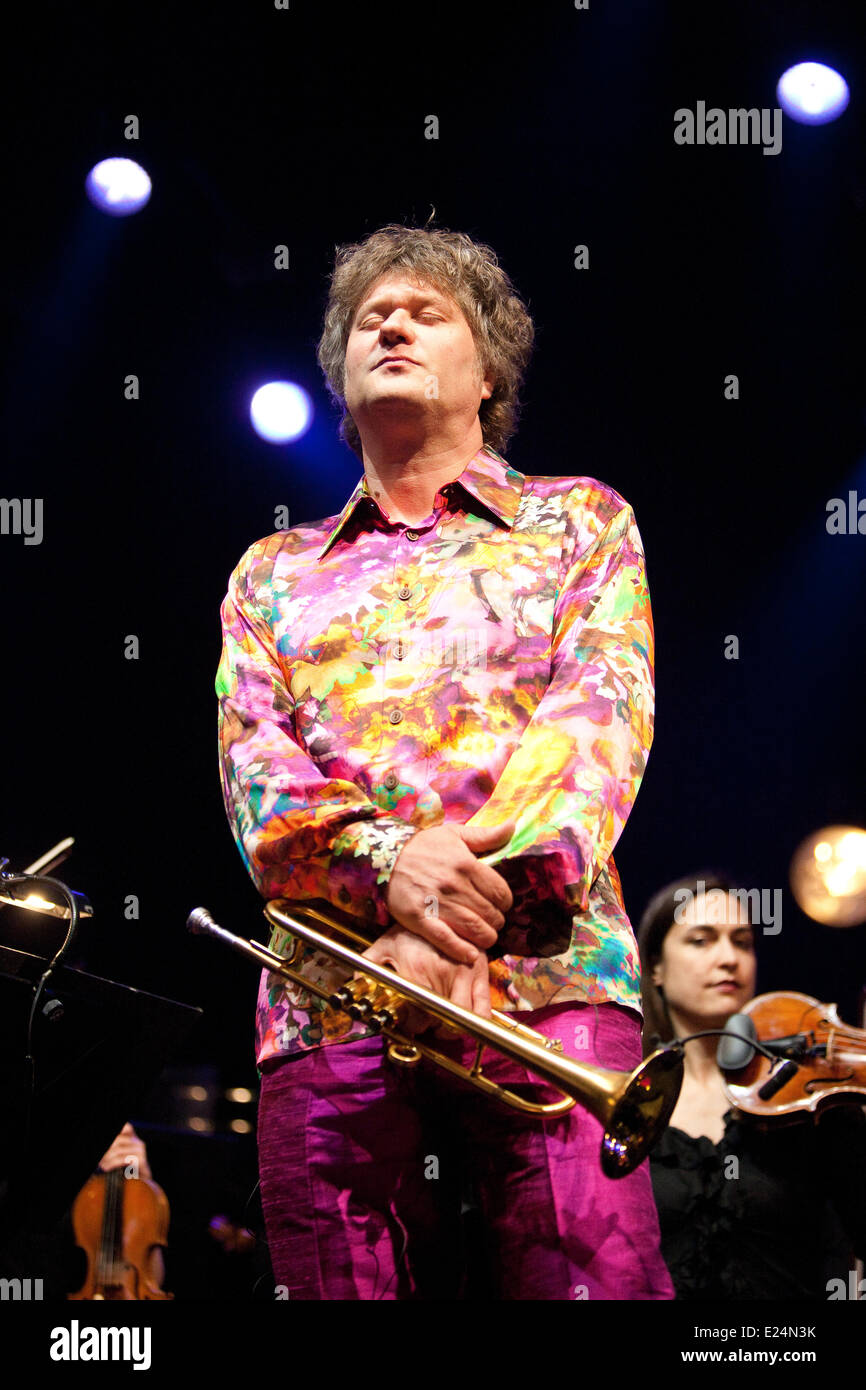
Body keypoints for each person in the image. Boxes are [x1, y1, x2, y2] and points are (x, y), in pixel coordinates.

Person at [217, 222, 671, 1300]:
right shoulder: (268, 572)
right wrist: (391, 876)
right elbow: (256, 775)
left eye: (424, 310)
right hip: (332, 990)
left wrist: (466, 906)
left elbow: (597, 724)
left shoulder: (581, 523)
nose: (388, 320)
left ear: (489, 368)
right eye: (369, 314)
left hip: (546, 974)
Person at [637, 872, 866, 1300]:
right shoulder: (634, 1099)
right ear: (656, 969)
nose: (729, 958)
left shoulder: (805, 1100)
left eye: (742, 942)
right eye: (701, 940)